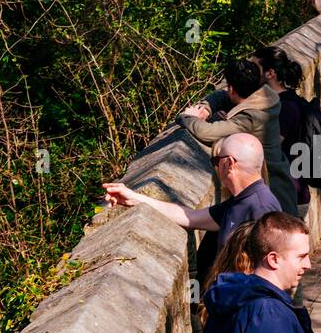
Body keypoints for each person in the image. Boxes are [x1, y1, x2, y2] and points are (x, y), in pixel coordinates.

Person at [102, 132, 280, 245]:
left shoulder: (261, 208)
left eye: (216, 162)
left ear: (229, 163)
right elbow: (190, 217)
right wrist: (132, 198)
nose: (216, 168)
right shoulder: (241, 200)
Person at [178, 57, 298, 215]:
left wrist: (188, 117)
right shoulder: (261, 96)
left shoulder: (251, 117)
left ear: (232, 88)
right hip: (272, 187)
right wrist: (206, 108)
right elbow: (221, 96)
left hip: (273, 194)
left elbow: (206, 133)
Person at [252, 46, 310, 218]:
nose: (251, 72)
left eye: (255, 68)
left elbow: (269, 146)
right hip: (288, 191)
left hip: (288, 195)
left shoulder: (286, 108)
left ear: (270, 73)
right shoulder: (287, 101)